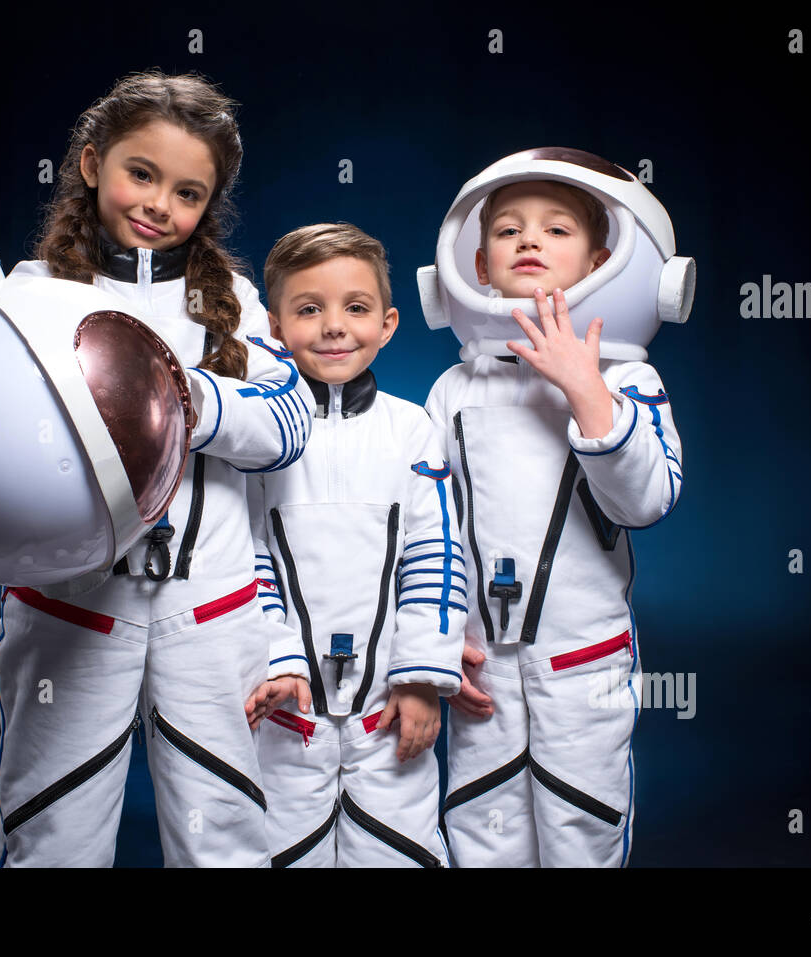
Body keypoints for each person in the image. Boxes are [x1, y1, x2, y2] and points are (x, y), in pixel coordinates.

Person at [0, 71, 315, 867]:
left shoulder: (232, 301)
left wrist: (176, 398)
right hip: (70, 603)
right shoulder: (29, 296)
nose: (159, 203)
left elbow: (287, 423)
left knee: (225, 835)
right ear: (94, 163)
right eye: (142, 173)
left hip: (210, 609)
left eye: (188, 191)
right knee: (49, 833)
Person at [427, 163, 685, 867]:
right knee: (482, 824)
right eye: (507, 230)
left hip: (580, 661)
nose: (528, 239)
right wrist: (436, 638)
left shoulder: (627, 379)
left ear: (601, 262)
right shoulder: (454, 388)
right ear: (478, 265)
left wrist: (584, 389)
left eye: (556, 228)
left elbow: (647, 499)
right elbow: (428, 527)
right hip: (481, 662)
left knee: (582, 822)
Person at [243, 223, 465, 867]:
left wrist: (423, 677)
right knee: (275, 851)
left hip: (389, 711)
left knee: (399, 853)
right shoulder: (255, 438)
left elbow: (436, 555)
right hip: (285, 706)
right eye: (309, 309)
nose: (334, 326)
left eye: (356, 308)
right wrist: (278, 656)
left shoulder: (412, 430)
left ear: (389, 324)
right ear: (275, 326)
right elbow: (245, 558)